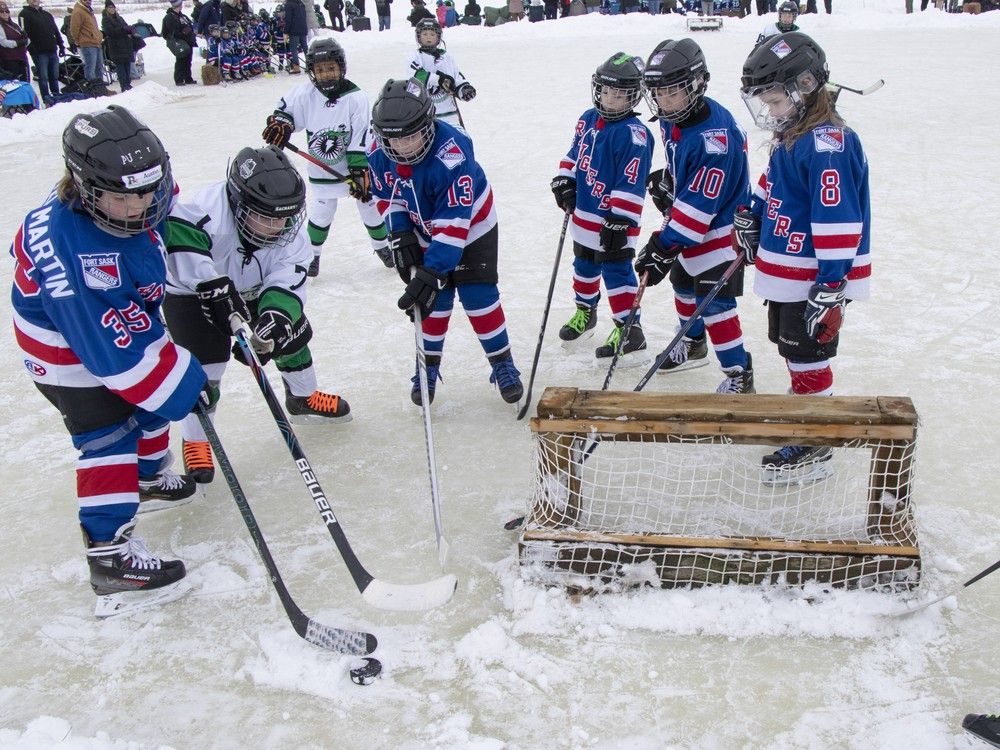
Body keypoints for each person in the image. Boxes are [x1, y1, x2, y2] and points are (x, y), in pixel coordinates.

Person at [10, 106, 208, 617]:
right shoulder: (77, 256)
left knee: (150, 408)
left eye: (149, 190)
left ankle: (144, 477)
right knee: (108, 433)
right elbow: (118, 360)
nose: (142, 204)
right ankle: (109, 554)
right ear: (86, 188)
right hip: (64, 349)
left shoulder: (122, 192)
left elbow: (161, 211)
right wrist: (183, 384)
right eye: (124, 197)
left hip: (105, 318)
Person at [163, 145, 352, 485]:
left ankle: (302, 396)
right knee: (206, 369)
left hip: (254, 288)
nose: (278, 226)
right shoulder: (204, 209)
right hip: (193, 293)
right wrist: (212, 286)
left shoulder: (288, 228)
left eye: (285, 217)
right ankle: (196, 439)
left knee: (292, 337)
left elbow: (288, 275)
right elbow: (179, 241)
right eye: (266, 218)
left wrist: (276, 317)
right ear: (238, 202)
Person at [735, 32, 869, 482]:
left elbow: (838, 220)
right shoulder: (794, 134)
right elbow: (772, 185)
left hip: (814, 275)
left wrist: (831, 286)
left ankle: (816, 442)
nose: (769, 111)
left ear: (807, 84)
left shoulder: (827, 144)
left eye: (774, 101)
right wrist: (752, 215)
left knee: (809, 353)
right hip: (790, 270)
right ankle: (804, 415)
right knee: (792, 347)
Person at [367, 79, 523, 406]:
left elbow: (455, 220)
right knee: (432, 303)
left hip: (472, 225)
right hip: (423, 228)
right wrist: (400, 232)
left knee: (478, 295)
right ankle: (426, 368)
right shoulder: (378, 151)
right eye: (394, 139)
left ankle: (502, 363)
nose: (403, 147)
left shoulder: (452, 152)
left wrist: (432, 272)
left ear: (429, 123)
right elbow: (386, 195)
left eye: (411, 136)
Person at [633, 38, 754, 394]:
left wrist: (662, 246)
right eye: (657, 92)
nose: (663, 101)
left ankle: (739, 374)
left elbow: (697, 212)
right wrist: (670, 181)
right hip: (693, 224)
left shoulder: (715, 139)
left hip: (720, 231)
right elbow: (682, 167)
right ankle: (693, 341)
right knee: (682, 283)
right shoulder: (676, 116)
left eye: (673, 92)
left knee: (715, 302)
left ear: (698, 84)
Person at [550, 54, 652, 363]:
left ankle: (629, 329)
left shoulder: (635, 134)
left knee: (616, 272)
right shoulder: (586, 119)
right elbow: (574, 154)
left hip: (614, 220)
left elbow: (631, 179)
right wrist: (564, 179)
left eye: (619, 94)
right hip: (585, 215)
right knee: (584, 266)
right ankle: (586, 312)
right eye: (606, 91)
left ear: (633, 95)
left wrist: (620, 218)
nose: (610, 99)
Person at [262, 38, 391, 277]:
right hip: (322, 167)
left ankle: (383, 247)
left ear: (341, 67)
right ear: (312, 72)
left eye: (330, 68)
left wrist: (358, 169)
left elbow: (360, 135)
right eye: (320, 70)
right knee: (322, 211)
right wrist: (282, 125)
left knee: (369, 205)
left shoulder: (356, 97)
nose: (326, 74)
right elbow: (285, 112)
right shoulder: (305, 93)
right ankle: (313, 255)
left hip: (355, 166)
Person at [407, 18, 475, 126]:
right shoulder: (415, 57)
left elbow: (456, 77)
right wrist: (439, 80)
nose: (428, 37)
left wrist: (463, 89)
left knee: (453, 140)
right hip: (424, 114)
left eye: (432, 34)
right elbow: (415, 77)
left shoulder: (447, 57)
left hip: (449, 114)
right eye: (425, 34)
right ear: (419, 37)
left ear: (438, 37)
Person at [18, 0, 64, 101]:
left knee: (54, 76)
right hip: (39, 52)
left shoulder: (47, 14)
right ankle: (46, 99)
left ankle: (56, 96)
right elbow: (24, 34)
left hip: (52, 50)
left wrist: (61, 45)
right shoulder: (24, 14)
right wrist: (32, 49)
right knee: (43, 77)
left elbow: (55, 30)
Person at [161, 0, 197, 86]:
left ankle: (188, 78)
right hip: (179, 42)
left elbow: (189, 25)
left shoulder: (182, 16)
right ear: (177, 5)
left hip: (188, 41)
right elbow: (170, 32)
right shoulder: (169, 17)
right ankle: (179, 79)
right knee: (181, 61)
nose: (182, 6)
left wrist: (190, 30)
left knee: (188, 61)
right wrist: (183, 32)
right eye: (181, 4)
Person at [70, 0, 104, 88]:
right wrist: (79, 41)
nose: (88, 1)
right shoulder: (78, 11)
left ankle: (101, 88)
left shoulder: (89, 11)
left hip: (96, 43)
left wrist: (99, 36)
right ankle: (92, 89)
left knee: (99, 67)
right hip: (87, 44)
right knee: (90, 68)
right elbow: (74, 29)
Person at [101, 0, 134, 92]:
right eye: (109, 8)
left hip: (125, 45)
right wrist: (123, 29)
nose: (111, 9)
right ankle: (124, 86)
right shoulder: (105, 19)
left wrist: (130, 30)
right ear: (106, 9)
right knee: (120, 67)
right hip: (116, 46)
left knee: (127, 65)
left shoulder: (120, 18)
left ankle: (128, 84)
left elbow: (126, 26)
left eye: (113, 7)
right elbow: (110, 32)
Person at [0, 1, 28, 81]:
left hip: (21, 57)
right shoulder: (1, 26)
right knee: (14, 82)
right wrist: (18, 43)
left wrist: (26, 40)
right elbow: (3, 42)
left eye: (7, 11)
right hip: (9, 59)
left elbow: (26, 41)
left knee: (24, 81)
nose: (5, 13)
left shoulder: (15, 25)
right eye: (1, 12)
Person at [283, 0, 307, 73]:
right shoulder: (301, 3)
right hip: (303, 28)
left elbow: (288, 19)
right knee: (305, 47)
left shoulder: (289, 4)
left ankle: (296, 67)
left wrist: (285, 32)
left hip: (294, 30)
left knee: (293, 48)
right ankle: (310, 64)